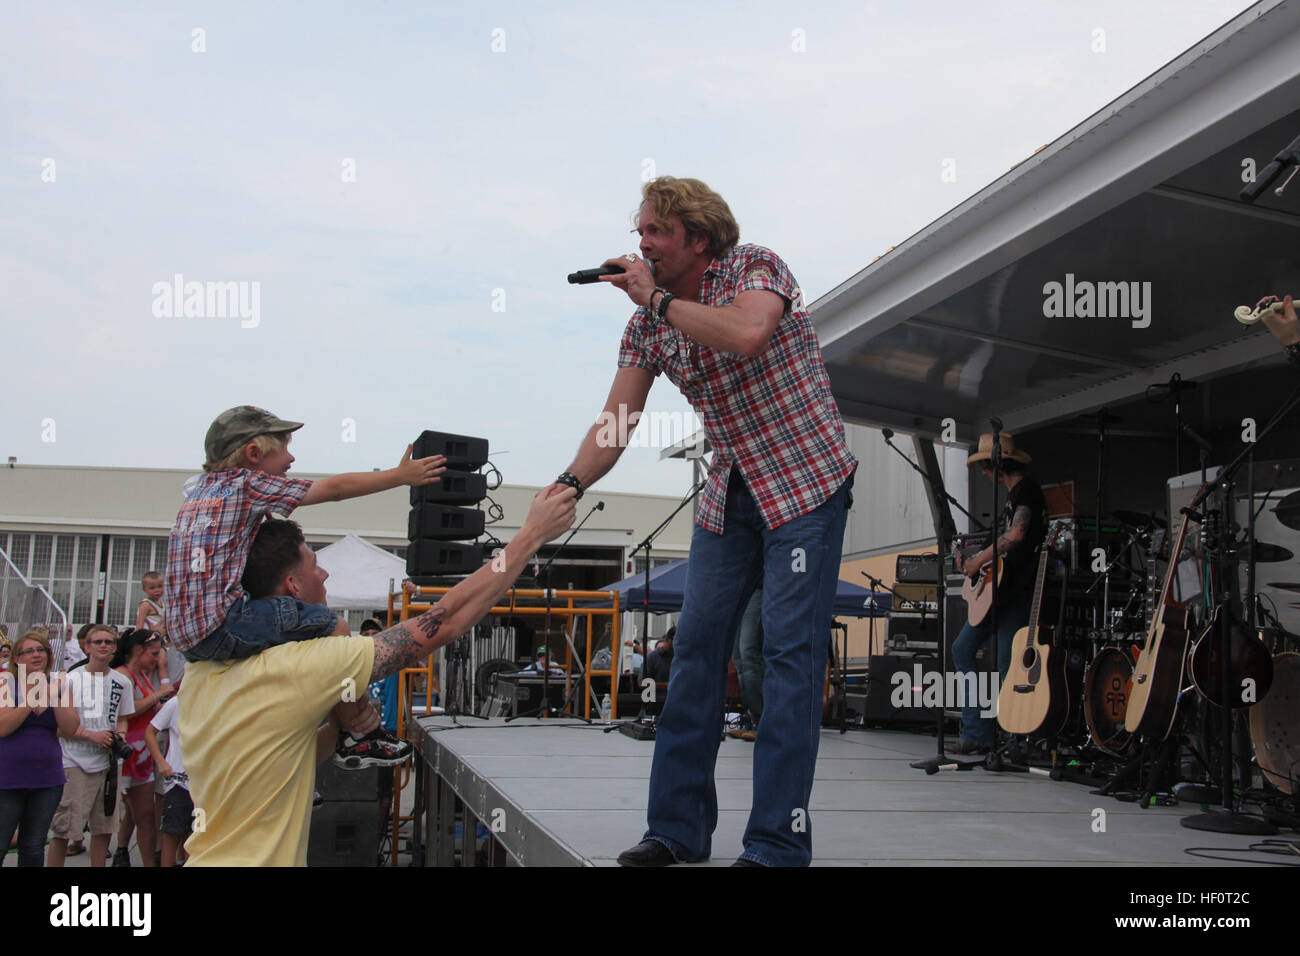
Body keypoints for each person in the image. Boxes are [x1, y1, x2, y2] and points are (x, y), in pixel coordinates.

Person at [549, 176, 856, 867]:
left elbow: (748, 333)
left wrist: (656, 299)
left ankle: (777, 843)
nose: (642, 243)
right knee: (693, 652)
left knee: (786, 658)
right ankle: (676, 832)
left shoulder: (756, 266)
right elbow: (617, 422)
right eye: (640, 232)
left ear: (697, 237)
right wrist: (569, 482)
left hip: (806, 483)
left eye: (655, 231)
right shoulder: (645, 325)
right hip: (734, 491)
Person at [178, 488, 575, 866]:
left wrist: (335, 724)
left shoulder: (201, 668)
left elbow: (280, 761)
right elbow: (447, 619)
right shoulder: (302, 664)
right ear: (293, 585)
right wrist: (530, 536)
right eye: (315, 565)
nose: (326, 573)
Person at [164, 405, 445, 766]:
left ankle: (318, 738)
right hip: (223, 624)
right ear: (254, 453)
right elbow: (334, 489)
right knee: (334, 627)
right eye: (284, 449)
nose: (291, 458)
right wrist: (400, 476)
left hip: (186, 638)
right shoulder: (248, 484)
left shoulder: (198, 492)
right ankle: (360, 732)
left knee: (288, 633)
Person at [949, 432, 1047, 755]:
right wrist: (974, 564)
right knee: (963, 649)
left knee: (1008, 665)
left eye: (985, 466)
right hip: (998, 592)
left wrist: (979, 559)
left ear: (998, 464)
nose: (983, 473)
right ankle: (978, 733)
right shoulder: (1009, 496)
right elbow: (1001, 545)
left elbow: (1017, 533)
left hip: (1018, 591)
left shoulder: (1026, 491)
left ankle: (1011, 739)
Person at [46, 623, 134, 867]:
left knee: (104, 828)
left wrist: (120, 737)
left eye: (109, 642)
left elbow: (123, 717)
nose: (104, 646)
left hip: (108, 764)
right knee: (65, 830)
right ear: (86, 647)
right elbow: (56, 728)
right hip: (74, 762)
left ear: (115, 648)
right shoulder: (71, 680)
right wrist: (91, 735)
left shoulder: (122, 682)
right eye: (98, 642)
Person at [0, 628, 80, 867]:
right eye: (29, 651)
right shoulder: (6, 683)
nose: (37, 655)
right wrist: (36, 696)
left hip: (46, 778)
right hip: (7, 777)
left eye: (41, 650)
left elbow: (70, 728)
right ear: (17, 658)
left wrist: (56, 694)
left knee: (34, 846)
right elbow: (4, 727)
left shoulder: (56, 685)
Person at [109, 628, 171, 866]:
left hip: (142, 757)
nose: (157, 660)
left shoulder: (143, 675)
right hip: (127, 757)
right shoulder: (121, 675)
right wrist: (157, 696)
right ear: (138, 651)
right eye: (154, 654)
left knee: (144, 816)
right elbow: (125, 710)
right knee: (126, 816)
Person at [144, 693, 189, 867]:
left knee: (196, 833)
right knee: (171, 834)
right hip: (177, 781)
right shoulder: (176, 703)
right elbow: (150, 732)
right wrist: (161, 762)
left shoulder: (214, 701)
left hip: (201, 784)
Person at [728, 588, 764, 741]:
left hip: (755, 587)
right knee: (739, 659)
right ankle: (751, 718)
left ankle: (760, 720)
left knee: (748, 653)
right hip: (738, 590)